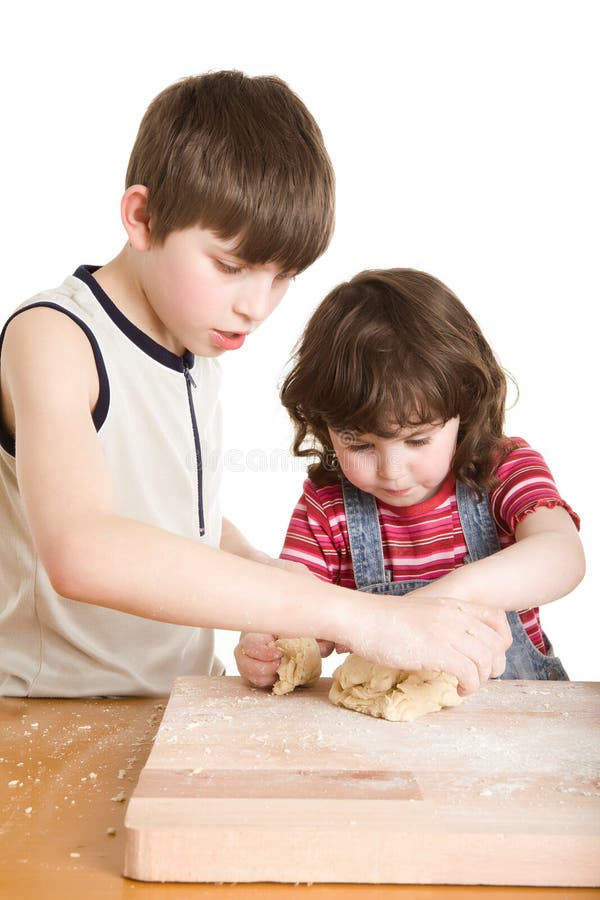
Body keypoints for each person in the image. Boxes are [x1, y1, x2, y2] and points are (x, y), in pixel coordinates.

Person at [0, 75, 509, 698]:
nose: (256, 306)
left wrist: (291, 595)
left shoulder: (194, 345)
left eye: (282, 276)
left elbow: (181, 525)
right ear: (143, 216)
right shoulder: (54, 338)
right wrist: (364, 616)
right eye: (231, 267)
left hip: (175, 698)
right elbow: (84, 547)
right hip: (47, 716)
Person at [235, 268, 584, 687]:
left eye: (417, 440)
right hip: (390, 743)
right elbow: (288, 604)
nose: (392, 470)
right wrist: (266, 644)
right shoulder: (327, 509)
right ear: (323, 426)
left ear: (463, 410)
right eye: (360, 446)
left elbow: (562, 556)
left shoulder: (503, 471)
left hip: (514, 723)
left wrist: (439, 599)